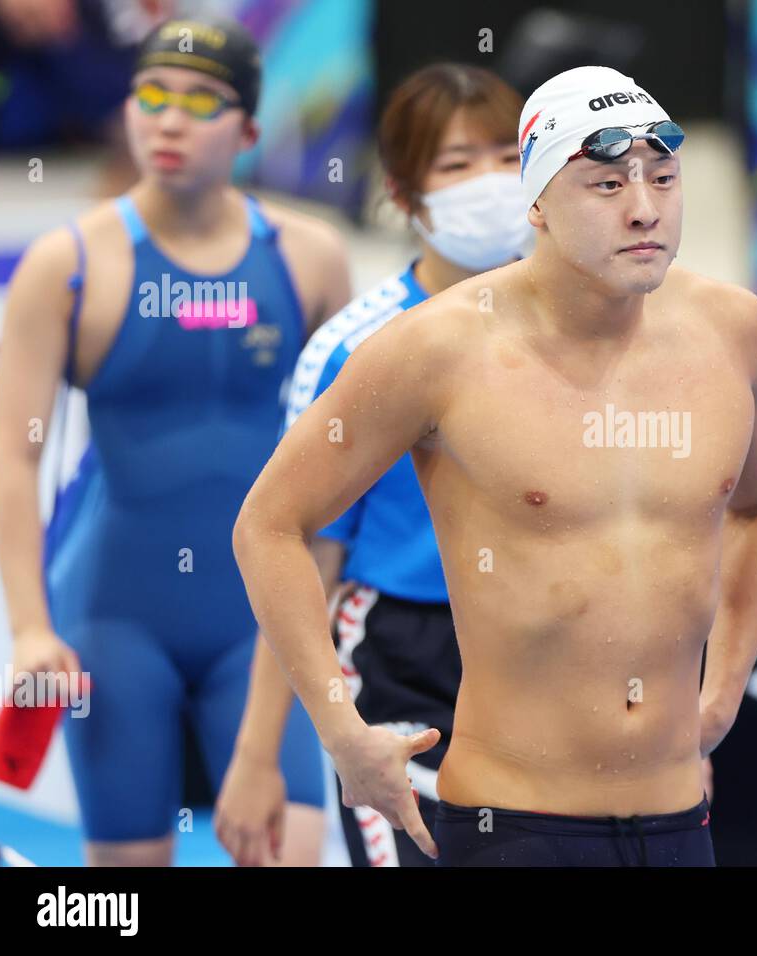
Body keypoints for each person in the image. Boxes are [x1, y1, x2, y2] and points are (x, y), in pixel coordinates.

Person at [233, 65, 757, 867]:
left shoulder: (734, 331)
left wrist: (724, 692)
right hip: (514, 824)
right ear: (537, 204)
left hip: (676, 818)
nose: (644, 208)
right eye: (605, 184)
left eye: (664, 179)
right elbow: (270, 525)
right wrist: (340, 733)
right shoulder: (436, 350)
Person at [0, 15, 350, 866]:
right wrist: (31, 629)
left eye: (200, 102)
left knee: (287, 851)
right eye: (152, 96)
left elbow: (346, 465)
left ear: (251, 131)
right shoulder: (69, 263)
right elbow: (13, 456)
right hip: (115, 613)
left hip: (260, 618)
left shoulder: (311, 258)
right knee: (127, 885)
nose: (170, 119)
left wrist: (332, 603)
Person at [215, 62, 530, 868]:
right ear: (404, 191)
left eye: (506, 155)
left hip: (551, 654)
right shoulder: (355, 351)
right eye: (457, 165)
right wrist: (258, 759)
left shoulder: (588, 320)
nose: (489, 182)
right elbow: (296, 553)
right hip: (406, 660)